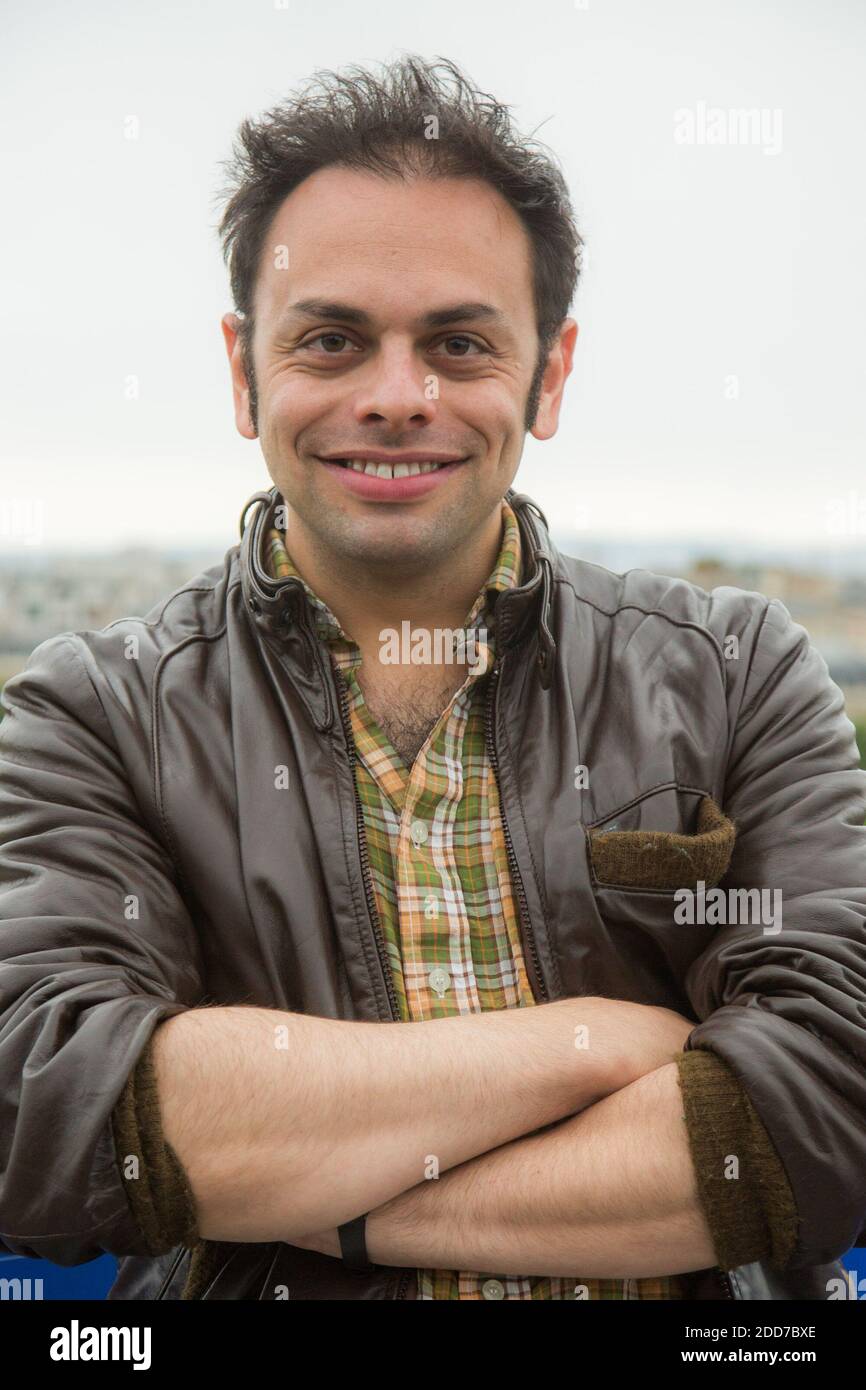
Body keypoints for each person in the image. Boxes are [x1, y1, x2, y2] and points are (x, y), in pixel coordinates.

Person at [1, 55, 864, 1302]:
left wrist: (336, 1200)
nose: (397, 398)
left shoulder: (733, 672)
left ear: (547, 375)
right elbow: (46, 1107)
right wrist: (600, 1049)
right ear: (243, 374)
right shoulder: (98, 711)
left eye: (458, 344)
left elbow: (832, 1092)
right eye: (332, 340)